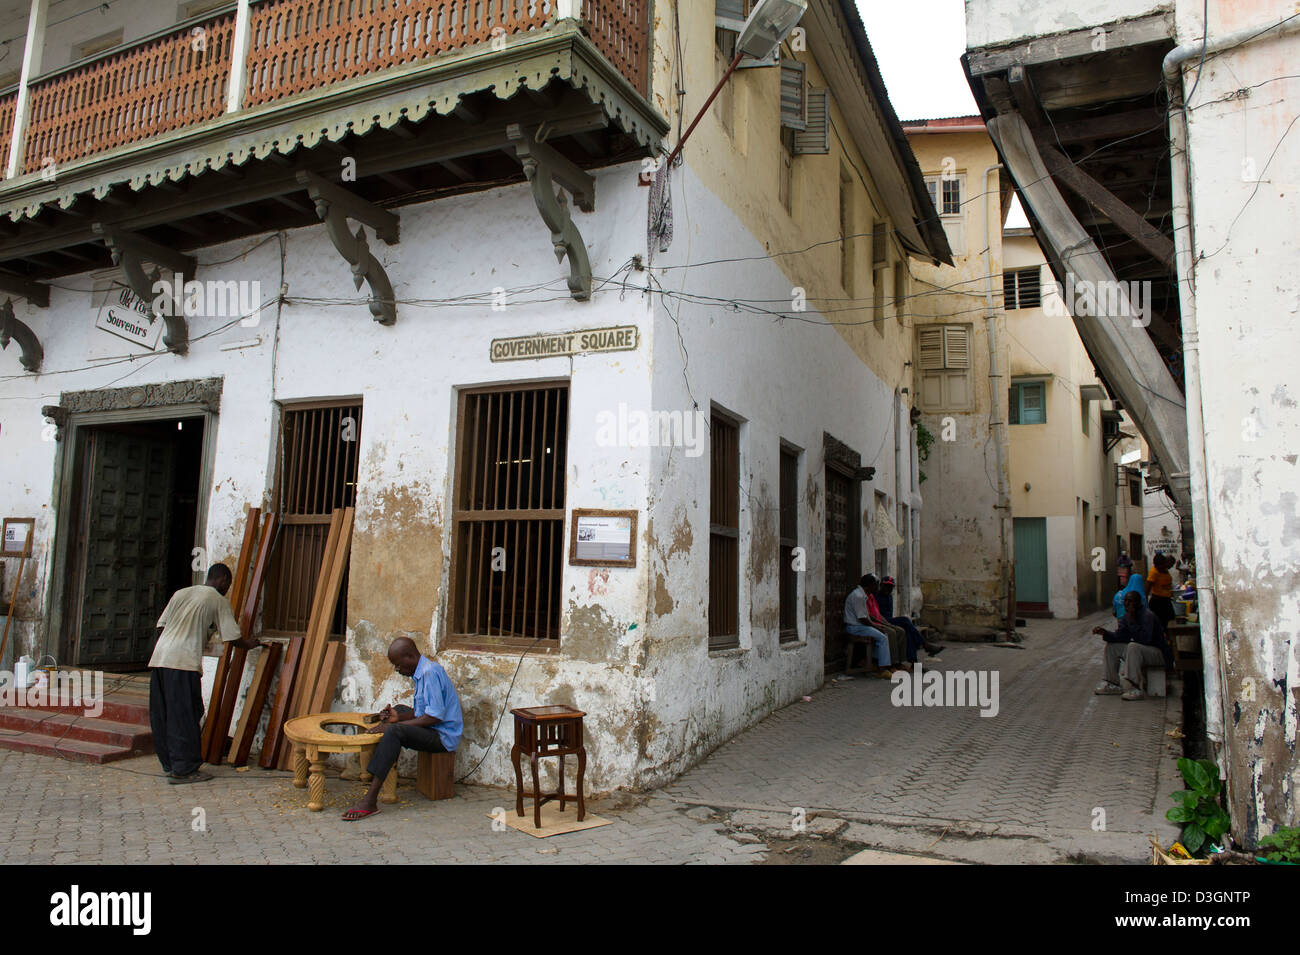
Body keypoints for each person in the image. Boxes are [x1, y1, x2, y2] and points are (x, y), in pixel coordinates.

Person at [149, 563, 261, 784]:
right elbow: (231, 637)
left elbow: (161, 626)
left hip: (160, 658)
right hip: (183, 663)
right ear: (222, 580)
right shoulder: (218, 600)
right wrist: (249, 644)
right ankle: (184, 770)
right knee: (186, 715)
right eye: (227, 583)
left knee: (162, 714)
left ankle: (170, 763)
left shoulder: (181, 593)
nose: (228, 588)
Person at [343, 637, 463, 820]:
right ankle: (378, 766)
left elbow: (434, 717)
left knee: (393, 731)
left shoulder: (430, 673)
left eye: (398, 665)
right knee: (398, 710)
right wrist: (397, 717)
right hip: (433, 728)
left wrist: (396, 726)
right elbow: (422, 712)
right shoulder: (422, 672)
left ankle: (370, 800)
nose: (397, 669)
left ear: (410, 656)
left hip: (443, 738)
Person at [1092, 590, 1173, 700]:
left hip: (1158, 654)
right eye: (1125, 600)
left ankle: (1135, 688)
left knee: (1133, 647)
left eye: (1130, 601)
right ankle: (1112, 683)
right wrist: (1105, 633)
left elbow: (1145, 640)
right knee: (1112, 647)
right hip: (1141, 651)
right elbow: (1120, 636)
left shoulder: (1148, 616)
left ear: (1138, 603)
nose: (1126, 603)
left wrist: (1132, 620)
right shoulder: (1127, 617)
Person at [877, 576, 945, 658]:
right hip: (881, 620)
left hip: (889, 620)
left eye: (890, 587)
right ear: (881, 586)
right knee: (905, 620)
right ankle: (925, 644)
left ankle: (914, 663)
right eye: (886, 586)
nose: (888, 588)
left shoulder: (889, 597)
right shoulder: (876, 596)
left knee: (909, 634)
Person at [843, 576, 897, 678]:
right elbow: (862, 618)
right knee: (883, 637)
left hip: (859, 626)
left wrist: (877, 625)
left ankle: (876, 663)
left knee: (881, 634)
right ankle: (883, 669)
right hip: (855, 627)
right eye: (876, 585)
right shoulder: (858, 596)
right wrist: (876, 627)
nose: (877, 588)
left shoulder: (862, 595)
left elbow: (866, 617)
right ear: (869, 586)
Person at [1146, 553, 1177, 627]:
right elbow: (1147, 588)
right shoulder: (1153, 572)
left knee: (1170, 622)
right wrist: (1145, 603)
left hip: (1166, 601)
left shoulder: (1165, 569)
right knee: (1159, 624)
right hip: (1157, 602)